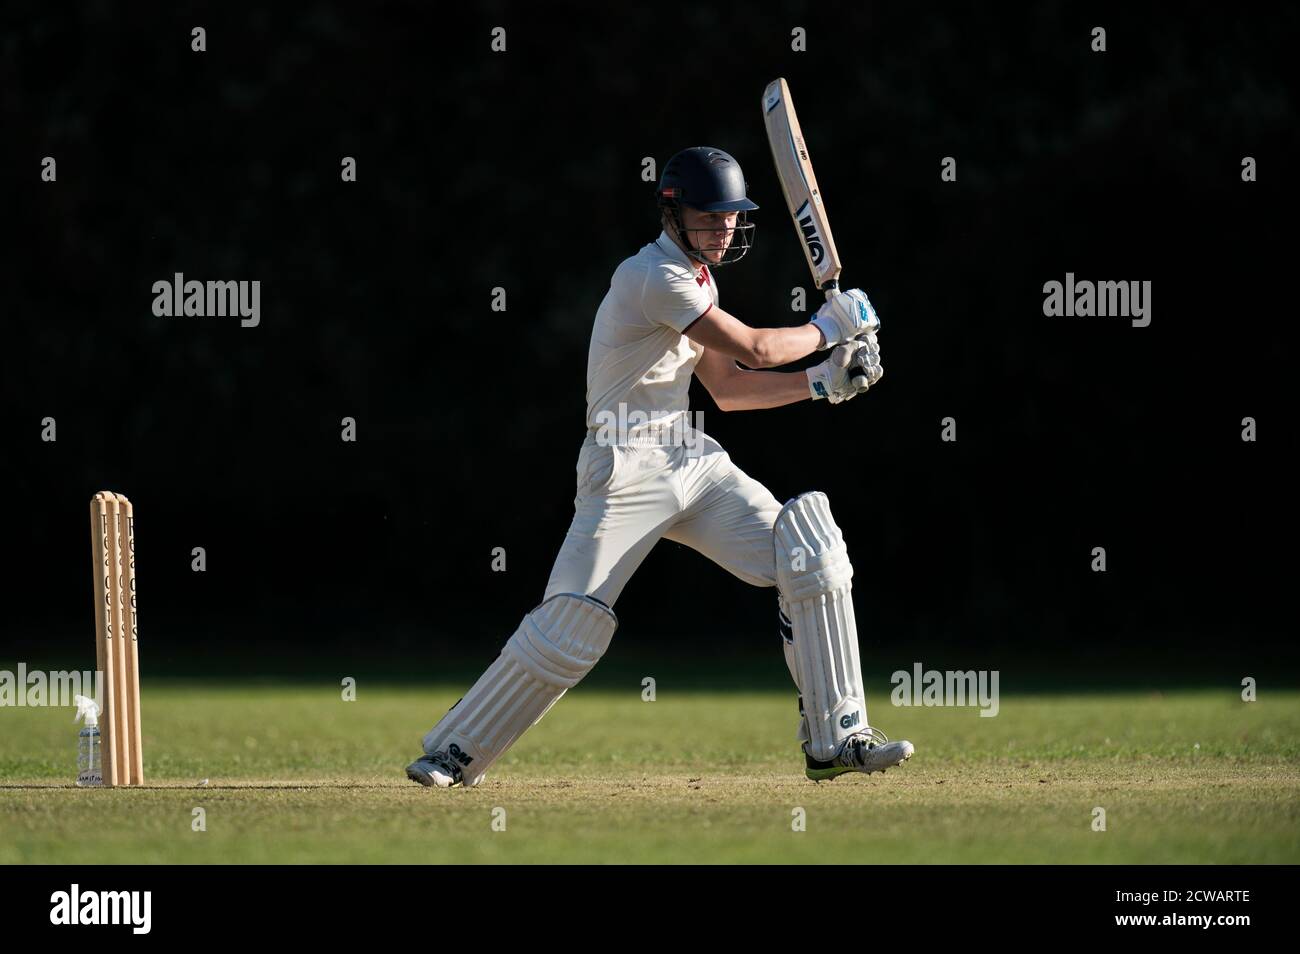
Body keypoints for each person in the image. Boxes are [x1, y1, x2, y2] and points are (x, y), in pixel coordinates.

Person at [406, 146, 913, 788]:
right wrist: (828, 329)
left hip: (689, 458)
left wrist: (819, 383)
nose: (725, 229)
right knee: (570, 622)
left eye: (732, 216)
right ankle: (455, 749)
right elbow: (756, 349)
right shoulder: (653, 277)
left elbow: (727, 389)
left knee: (809, 549)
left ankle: (836, 737)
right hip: (623, 469)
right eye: (711, 217)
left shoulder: (700, 277)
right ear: (672, 212)